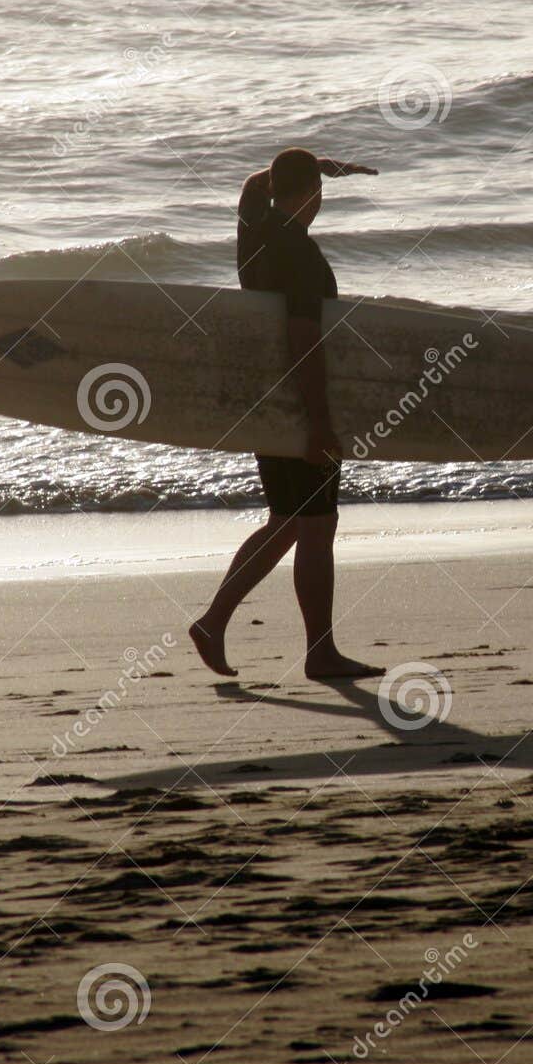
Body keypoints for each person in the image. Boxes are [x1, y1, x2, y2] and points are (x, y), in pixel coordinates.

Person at [190, 147, 381, 680]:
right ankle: (319, 653)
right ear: (312, 196)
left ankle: (214, 621)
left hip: (262, 400)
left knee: (289, 520)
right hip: (297, 401)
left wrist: (315, 165)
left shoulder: (254, 227)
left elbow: (254, 185)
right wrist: (320, 421)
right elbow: (304, 341)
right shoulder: (300, 255)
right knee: (316, 524)